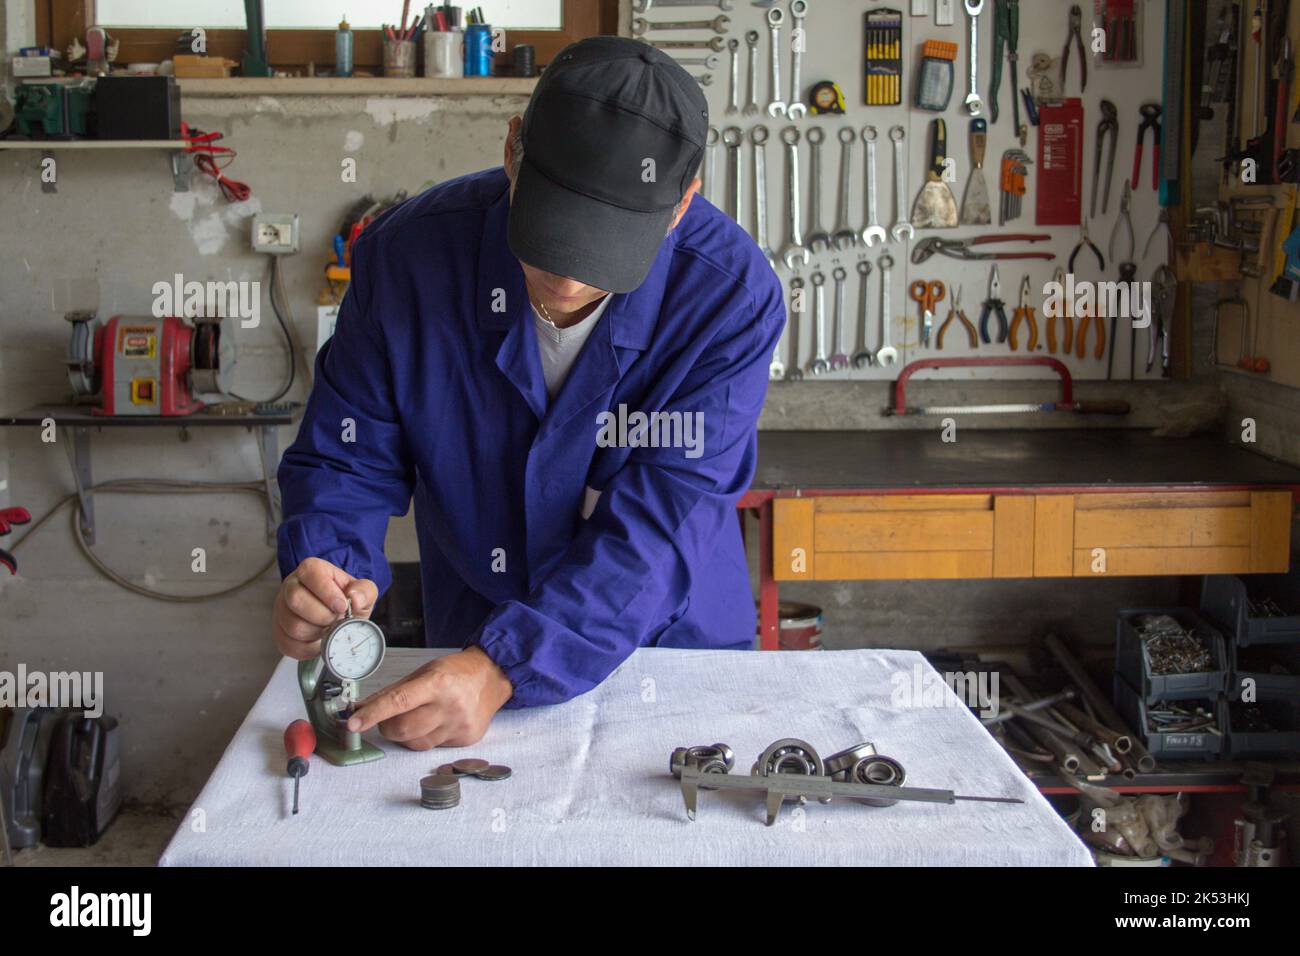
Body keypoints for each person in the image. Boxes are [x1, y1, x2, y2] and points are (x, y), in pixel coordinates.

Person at [271, 36, 784, 750]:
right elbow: (346, 458)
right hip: (474, 651)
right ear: (513, 151)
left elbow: (667, 521)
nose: (570, 279)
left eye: (604, 251)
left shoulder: (727, 297)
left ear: (679, 206)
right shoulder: (408, 261)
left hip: (666, 649)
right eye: (552, 234)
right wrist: (327, 568)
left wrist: (507, 665)